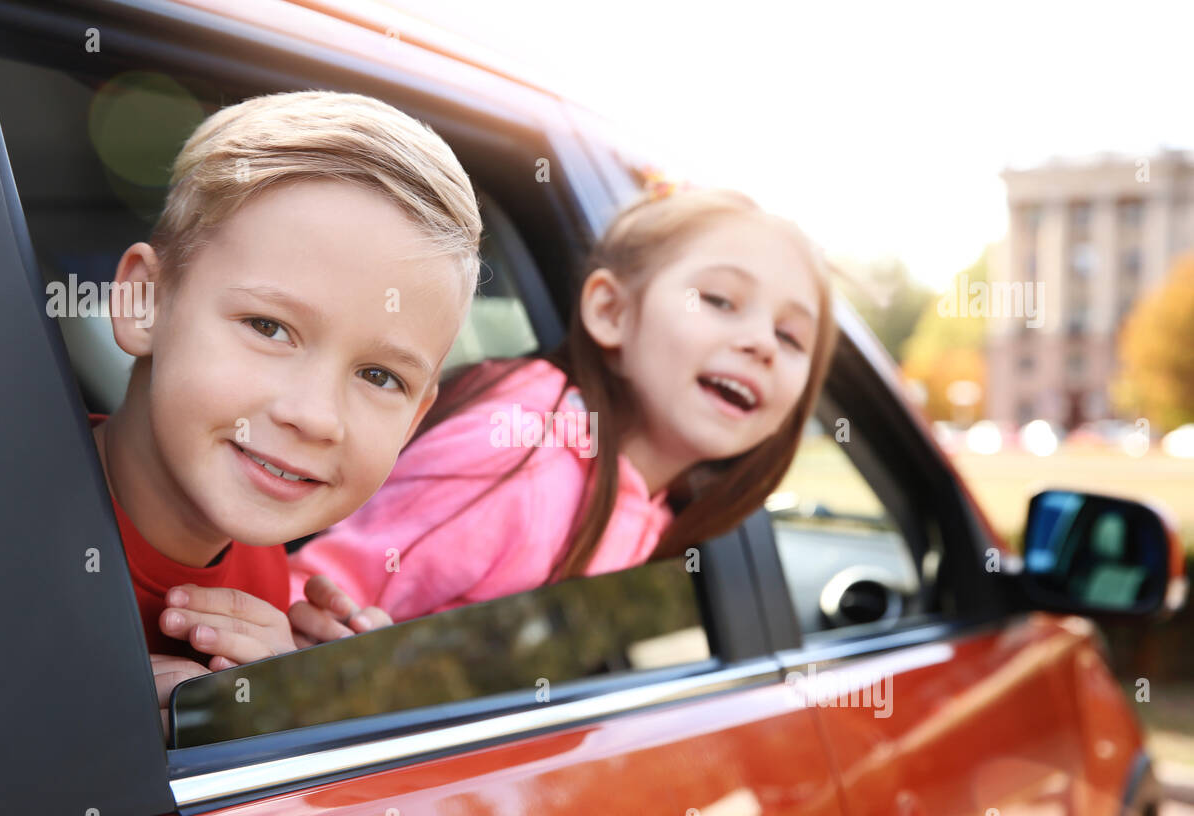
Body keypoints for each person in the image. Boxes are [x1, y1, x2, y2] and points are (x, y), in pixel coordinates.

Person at [87, 90, 482, 729]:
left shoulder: (265, 569)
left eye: (379, 376)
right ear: (145, 303)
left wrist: (300, 697)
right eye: (269, 328)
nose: (317, 416)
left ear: (415, 419)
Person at [287, 185, 838, 631]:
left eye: (790, 338)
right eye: (719, 301)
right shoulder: (520, 459)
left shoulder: (651, 508)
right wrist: (338, 649)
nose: (762, 344)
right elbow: (306, 599)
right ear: (611, 311)